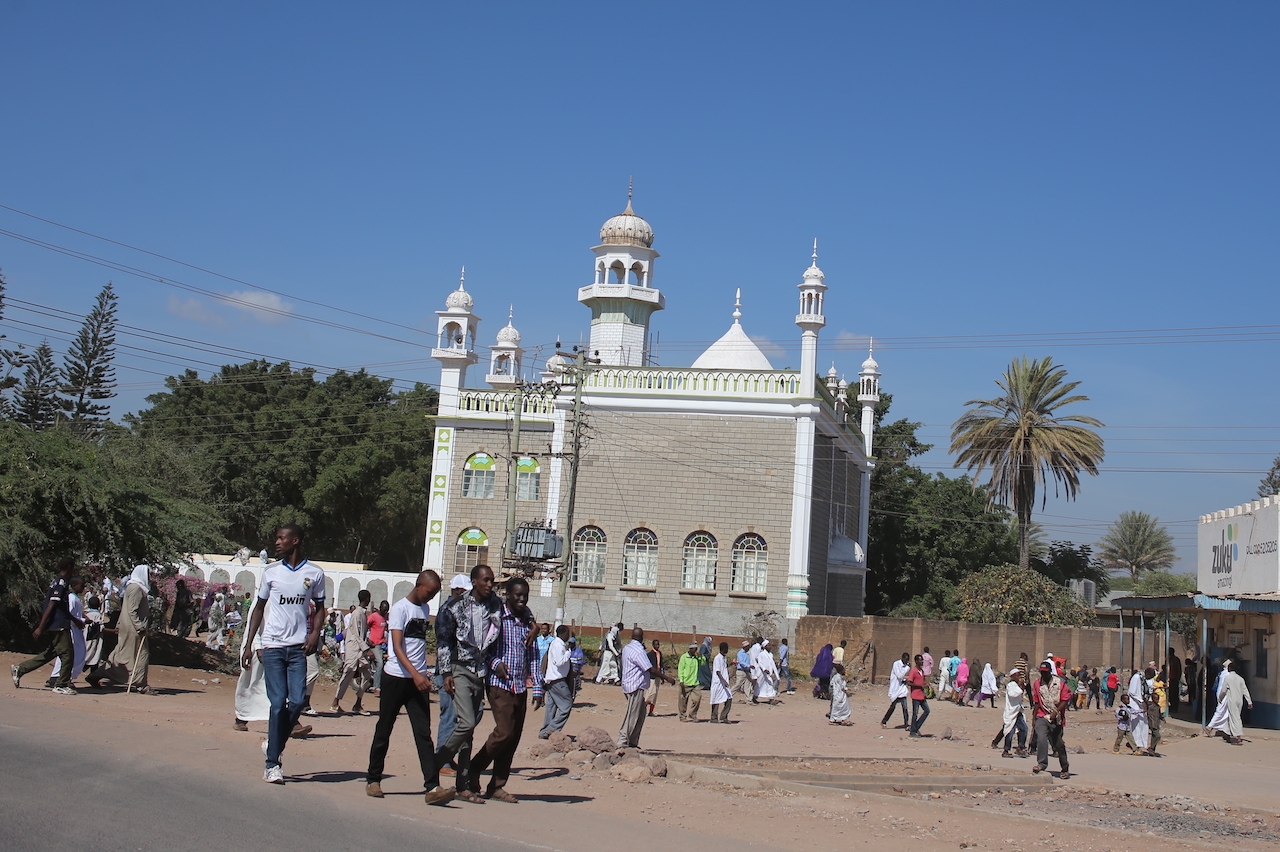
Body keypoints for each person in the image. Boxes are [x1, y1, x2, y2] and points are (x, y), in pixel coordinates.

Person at [240, 524, 327, 785]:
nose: (276, 542)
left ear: (296, 540)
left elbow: (321, 608)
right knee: (278, 704)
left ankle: (273, 743)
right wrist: (248, 644)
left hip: (299, 647)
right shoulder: (270, 573)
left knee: (298, 701)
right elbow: (258, 608)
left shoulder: (315, 573)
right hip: (273, 646)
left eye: (281, 538)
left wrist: (315, 635)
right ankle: (272, 764)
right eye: (276, 538)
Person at [365, 570, 454, 805]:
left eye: (435, 594)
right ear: (418, 585)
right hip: (396, 678)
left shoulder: (424, 610)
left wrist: (423, 673)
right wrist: (415, 674)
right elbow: (396, 647)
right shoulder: (399, 609)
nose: (431, 597)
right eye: (429, 592)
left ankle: (432, 787)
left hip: (418, 681)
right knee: (384, 729)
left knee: (423, 734)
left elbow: (418, 646)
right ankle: (373, 779)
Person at [466, 577, 542, 803]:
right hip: (500, 685)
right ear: (507, 595)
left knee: (513, 738)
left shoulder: (528, 623)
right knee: (504, 732)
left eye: (525, 596)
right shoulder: (497, 617)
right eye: (517, 595)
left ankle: (497, 785)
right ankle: (473, 768)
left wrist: (537, 687)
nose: (521, 599)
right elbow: (482, 647)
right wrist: (494, 664)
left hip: (520, 686)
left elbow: (533, 656)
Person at [434, 565, 503, 803]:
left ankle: (463, 786)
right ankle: (437, 762)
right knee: (466, 722)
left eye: (492, 580)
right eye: (485, 580)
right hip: (459, 669)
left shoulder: (495, 604)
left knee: (470, 732)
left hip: (480, 671)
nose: (489, 584)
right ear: (474, 581)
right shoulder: (454, 607)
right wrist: (445, 673)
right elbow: (443, 641)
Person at [13, 557, 78, 694]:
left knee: (51, 653)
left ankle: (21, 669)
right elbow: (52, 604)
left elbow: (61, 607)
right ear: (70, 567)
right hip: (58, 624)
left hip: (57, 622)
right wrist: (40, 627)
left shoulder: (57, 581)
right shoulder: (61, 582)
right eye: (74, 567)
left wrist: (75, 620)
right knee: (67, 654)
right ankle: (62, 684)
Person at [88, 564, 152, 693]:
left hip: (128, 626)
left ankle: (97, 675)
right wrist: (139, 626)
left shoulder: (131, 587)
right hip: (133, 628)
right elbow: (131, 610)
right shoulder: (136, 589)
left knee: (121, 654)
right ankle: (140, 684)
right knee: (140, 655)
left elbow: (125, 608)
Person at [435, 573, 475, 766]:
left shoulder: (461, 610)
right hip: (449, 671)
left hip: (460, 670)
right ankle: (442, 761)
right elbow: (443, 645)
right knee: (449, 716)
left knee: (468, 716)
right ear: (458, 591)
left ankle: (448, 756)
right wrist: (446, 674)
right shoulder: (447, 611)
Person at [617, 626, 675, 749]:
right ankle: (622, 741)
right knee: (633, 714)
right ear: (642, 637)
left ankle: (633, 741)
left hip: (628, 683)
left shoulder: (627, 648)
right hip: (635, 686)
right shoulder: (638, 651)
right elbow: (650, 668)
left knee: (641, 712)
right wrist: (667, 678)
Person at [331, 590, 372, 715]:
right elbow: (355, 633)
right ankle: (335, 702)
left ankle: (358, 703)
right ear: (366, 599)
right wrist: (366, 648)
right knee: (348, 672)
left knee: (367, 674)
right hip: (354, 648)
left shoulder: (363, 613)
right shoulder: (357, 613)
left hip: (360, 649)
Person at [1030, 661, 1071, 778]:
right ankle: (1042, 763)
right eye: (1041, 673)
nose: (1043, 675)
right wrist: (1034, 719)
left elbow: (1065, 700)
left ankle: (1064, 768)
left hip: (1056, 718)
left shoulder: (1060, 683)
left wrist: (1055, 713)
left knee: (1059, 744)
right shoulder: (1038, 684)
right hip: (1042, 716)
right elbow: (1037, 703)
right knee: (1041, 738)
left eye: (1046, 673)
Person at [1206, 659, 1253, 745]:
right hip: (1240, 700)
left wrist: (1220, 698)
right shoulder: (1240, 678)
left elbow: (1223, 690)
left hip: (1232, 700)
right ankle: (1226, 733)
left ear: (1229, 669)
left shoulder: (1227, 677)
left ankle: (1238, 737)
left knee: (1235, 718)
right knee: (1231, 716)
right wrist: (1249, 702)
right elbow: (1245, 690)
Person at [539, 624, 574, 738]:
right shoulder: (558, 645)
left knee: (551, 707)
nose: (568, 636)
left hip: (552, 679)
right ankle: (552, 728)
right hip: (557, 680)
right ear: (563, 634)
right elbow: (559, 662)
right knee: (567, 705)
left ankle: (544, 732)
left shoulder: (555, 643)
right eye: (567, 633)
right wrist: (568, 652)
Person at [994, 668, 1028, 757]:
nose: (1019, 677)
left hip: (1018, 711)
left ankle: (1021, 747)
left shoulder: (1017, 685)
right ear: (1013, 676)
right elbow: (1013, 694)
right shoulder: (1011, 685)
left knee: (1024, 729)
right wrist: (1020, 687)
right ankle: (1006, 750)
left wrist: (1022, 686)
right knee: (1010, 730)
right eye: (1017, 675)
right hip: (1011, 711)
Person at [880, 652, 910, 728]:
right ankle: (884, 721)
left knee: (905, 707)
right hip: (895, 689)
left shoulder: (905, 666)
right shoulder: (896, 664)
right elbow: (899, 675)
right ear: (902, 658)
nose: (907, 662)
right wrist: (907, 668)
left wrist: (904, 680)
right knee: (893, 707)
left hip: (901, 689)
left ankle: (906, 724)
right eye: (906, 660)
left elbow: (901, 677)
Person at [677, 642, 703, 721]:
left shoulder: (696, 658)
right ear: (690, 649)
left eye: (696, 649)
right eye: (694, 649)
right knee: (683, 701)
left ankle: (692, 714)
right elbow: (680, 669)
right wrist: (681, 680)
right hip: (685, 682)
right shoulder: (684, 657)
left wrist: (701, 657)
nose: (695, 651)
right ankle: (682, 716)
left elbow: (703, 663)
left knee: (697, 698)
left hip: (695, 682)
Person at [367, 600, 388, 695]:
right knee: (380, 663)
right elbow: (364, 626)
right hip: (373, 645)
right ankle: (376, 686)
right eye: (384, 610)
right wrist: (367, 639)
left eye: (386, 610)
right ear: (380, 607)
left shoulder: (385, 618)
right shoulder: (374, 616)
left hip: (382, 645)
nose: (385, 612)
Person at [709, 642, 733, 723]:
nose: (727, 650)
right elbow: (718, 671)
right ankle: (714, 718)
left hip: (724, 683)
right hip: (718, 682)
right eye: (726, 649)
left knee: (729, 698)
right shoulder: (717, 658)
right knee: (716, 700)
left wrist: (731, 664)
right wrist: (724, 681)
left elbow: (724, 668)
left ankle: (723, 716)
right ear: (722, 649)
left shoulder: (724, 658)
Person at [907, 653, 929, 736]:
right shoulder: (914, 671)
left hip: (921, 695)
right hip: (915, 695)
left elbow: (922, 681)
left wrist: (925, 685)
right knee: (915, 714)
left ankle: (915, 727)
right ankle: (913, 731)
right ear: (916, 661)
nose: (922, 661)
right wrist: (920, 685)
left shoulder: (922, 671)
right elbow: (909, 682)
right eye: (920, 660)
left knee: (927, 711)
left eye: (922, 660)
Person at [82, 595, 105, 674]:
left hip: (86, 638)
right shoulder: (97, 615)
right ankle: (91, 675)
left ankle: (92, 677)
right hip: (94, 639)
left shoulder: (87, 615)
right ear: (99, 605)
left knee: (88, 655)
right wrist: (113, 631)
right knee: (94, 656)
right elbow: (100, 627)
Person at [753, 640, 780, 704]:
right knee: (759, 685)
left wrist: (775, 673)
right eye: (768, 645)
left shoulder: (771, 655)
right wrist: (764, 669)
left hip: (768, 673)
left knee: (770, 684)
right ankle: (754, 697)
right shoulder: (761, 654)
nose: (770, 647)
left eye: (770, 645)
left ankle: (771, 698)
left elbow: (772, 664)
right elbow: (760, 662)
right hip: (762, 673)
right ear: (764, 647)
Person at [646, 639, 665, 717]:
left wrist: (662, 676)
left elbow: (661, 664)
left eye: (658, 645)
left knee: (655, 694)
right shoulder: (650, 654)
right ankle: (643, 708)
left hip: (658, 675)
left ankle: (651, 711)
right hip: (651, 676)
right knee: (650, 692)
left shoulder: (659, 653)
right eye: (656, 645)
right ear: (653, 645)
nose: (657, 646)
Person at [1167, 649, 1183, 715]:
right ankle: (1170, 707)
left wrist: (1177, 678)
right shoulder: (1168, 660)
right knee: (1170, 694)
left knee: (1174, 694)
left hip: (1174, 679)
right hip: (1169, 679)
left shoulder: (1176, 660)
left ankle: (1175, 708)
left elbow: (1179, 670)